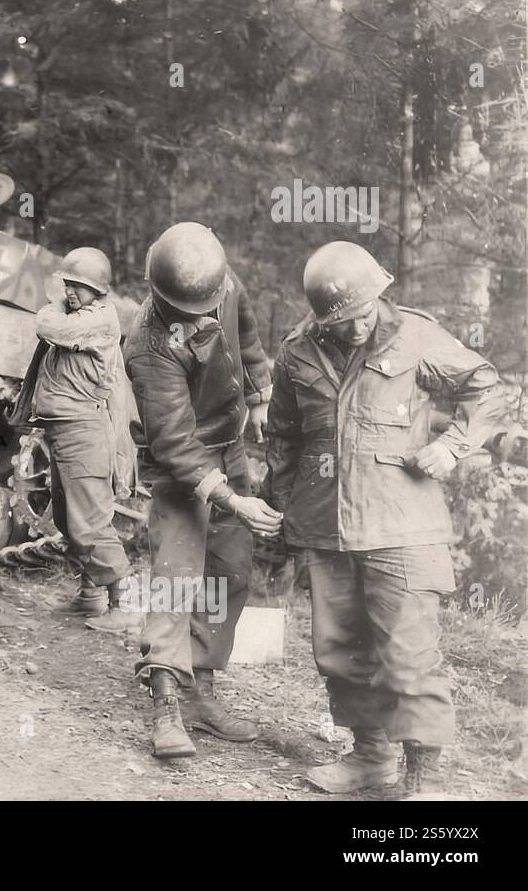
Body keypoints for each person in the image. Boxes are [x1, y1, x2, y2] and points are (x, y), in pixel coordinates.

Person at [266, 241, 501, 797]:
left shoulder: (415, 335)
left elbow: (486, 386)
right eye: (343, 319)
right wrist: (283, 508)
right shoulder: (297, 352)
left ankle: (421, 778)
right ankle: (369, 757)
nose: (355, 328)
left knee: (409, 652)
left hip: (403, 524)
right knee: (341, 648)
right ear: (324, 315)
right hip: (328, 525)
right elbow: (282, 436)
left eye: (364, 313)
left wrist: (453, 446)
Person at [123, 222, 282, 759]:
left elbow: (250, 337)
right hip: (180, 462)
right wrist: (232, 497)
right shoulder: (146, 344)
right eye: (188, 311)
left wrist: (259, 397)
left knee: (231, 570)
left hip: (227, 442)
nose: (203, 315)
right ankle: (166, 700)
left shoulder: (219, 281)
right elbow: (173, 443)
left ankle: (201, 692)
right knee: (177, 572)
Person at [10, 246, 139, 630]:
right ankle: (90, 595)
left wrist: (51, 308)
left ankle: (123, 603)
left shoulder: (98, 318)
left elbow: (52, 328)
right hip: (64, 429)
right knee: (69, 518)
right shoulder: (80, 312)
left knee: (90, 521)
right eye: (68, 284)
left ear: (98, 291)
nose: (71, 292)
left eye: (79, 287)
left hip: (84, 430)